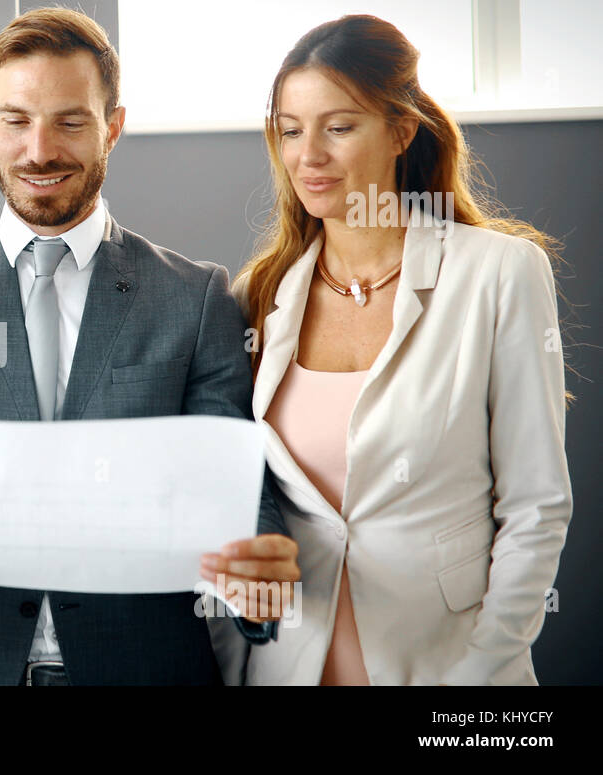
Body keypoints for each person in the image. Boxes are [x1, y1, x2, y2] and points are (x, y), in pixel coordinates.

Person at [0, 8, 298, 685]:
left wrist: (259, 570)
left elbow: (238, 491)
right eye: (16, 120)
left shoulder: (197, 297)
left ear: (113, 127)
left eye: (70, 121)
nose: (39, 150)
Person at [228, 14, 572, 685]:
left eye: (339, 126)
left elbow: (536, 506)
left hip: (451, 671)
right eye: (291, 130)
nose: (309, 155)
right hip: (290, 666)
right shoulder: (257, 295)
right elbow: (245, 500)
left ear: (400, 129)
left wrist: (477, 671)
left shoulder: (499, 273)